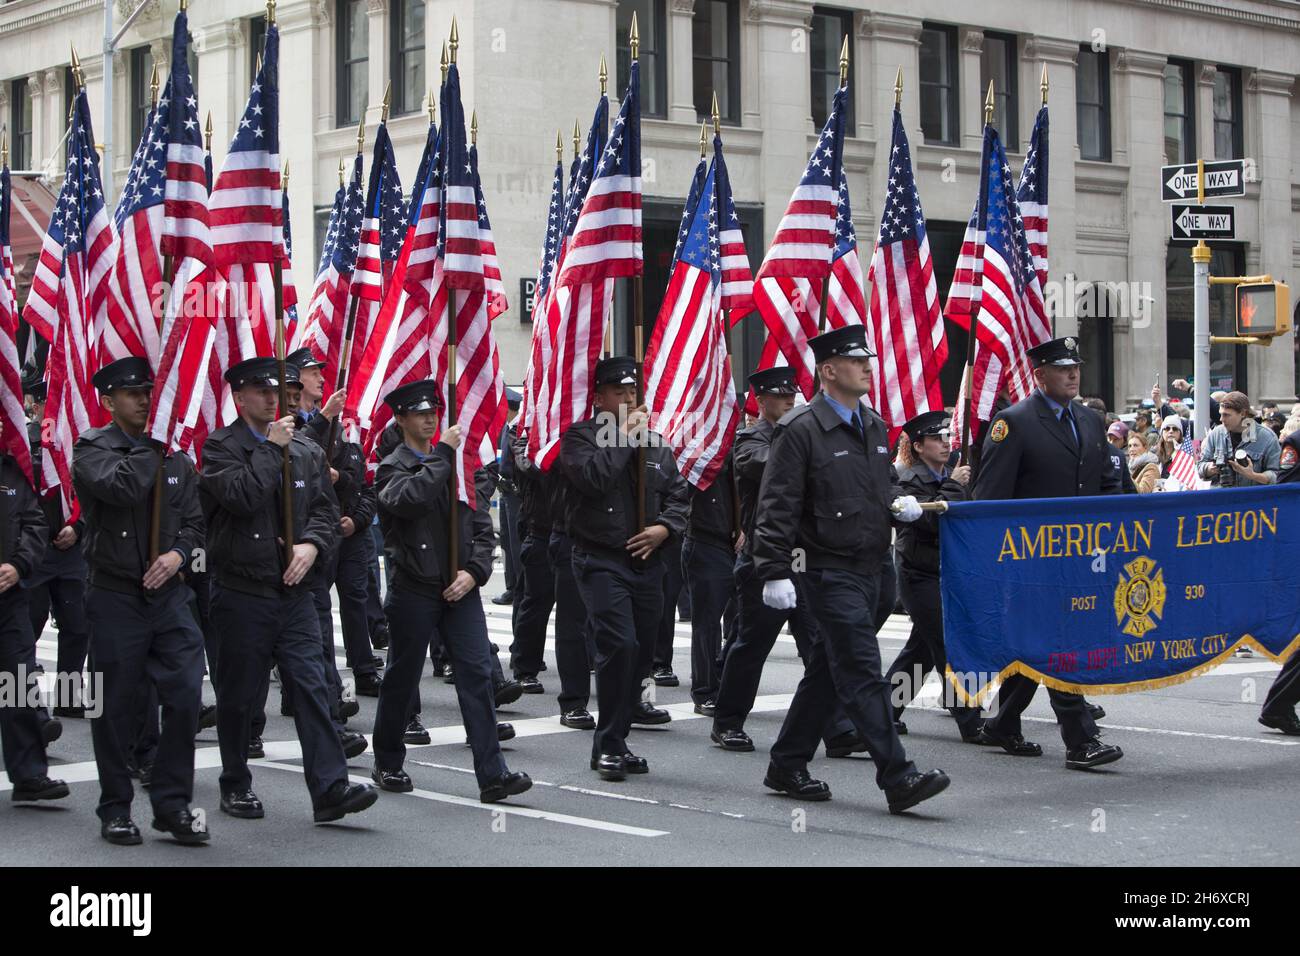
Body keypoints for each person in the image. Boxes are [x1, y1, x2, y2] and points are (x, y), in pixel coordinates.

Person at [752, 325, 950, 814]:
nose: (867, 366)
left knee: (827, 669)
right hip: (825, 568)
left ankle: (786, 762)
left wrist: (898, 502)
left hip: (872, 568)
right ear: (828, 370)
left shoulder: (874, 425)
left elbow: (877, 484)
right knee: (862, 670)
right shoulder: (800, 429)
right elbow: (776, 505)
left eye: (868, 359)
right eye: (856, 360)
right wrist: (773, 569)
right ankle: (898, 776)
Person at [200, 356, 378, 823]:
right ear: (239, 398)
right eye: (260, 391)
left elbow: (322, 509)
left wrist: (312, 546)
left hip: (296, 593)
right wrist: (268, 448)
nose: (272, 397)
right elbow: (240, 497)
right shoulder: (221, 447)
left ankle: (330, 787)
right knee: (239, 696)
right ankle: (235, 782)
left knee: (312, 687)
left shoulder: (304, 450)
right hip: (243, 591)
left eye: (276, 389)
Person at [369, 380, 532, 802]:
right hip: (414, 588)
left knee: (477, 675)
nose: (429, 418)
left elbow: (481, 527)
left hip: (459, 589)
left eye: (433, 412)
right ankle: (387, 758)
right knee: (403, 678)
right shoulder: (393, 465)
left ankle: (493, 774)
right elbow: (409, 500)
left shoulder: (461, 466)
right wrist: (443, 454)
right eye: (419, 413)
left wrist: (474, 572)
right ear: (401, 419)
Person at [73, 357, 209, 845]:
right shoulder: (93, 448)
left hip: (169, 596)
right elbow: (122, 485)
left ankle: (171, 803)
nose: (147, 400)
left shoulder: (175, 456)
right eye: (134, 394)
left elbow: (195, 522)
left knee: (187, 693)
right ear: (109, 402)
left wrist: (177, 555)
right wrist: (153, 446)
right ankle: (115, 807)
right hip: (115, 594)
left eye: (150, 392)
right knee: (113, 706)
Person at [972, 336, 1123, 770]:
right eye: (1063, 369)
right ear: (1039, 375)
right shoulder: (1014, 422)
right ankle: (1082, 741)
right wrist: (994, 560)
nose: (1073, 374)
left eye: (1076, 367)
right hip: (1031, 560)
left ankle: (1002, 721)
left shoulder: (1090, 422)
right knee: (1062, 643)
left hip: (1081, 557)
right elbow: (991, 497)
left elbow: (1105, 485)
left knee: (1039, 644)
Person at [711, 366, 860, 757]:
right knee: (752, 645)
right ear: (761, 402)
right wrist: (804, 440)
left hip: (807, 558)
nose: (791, 400)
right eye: (781, 396)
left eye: (794, 395)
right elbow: (762, 465)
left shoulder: (806, 436)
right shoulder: (750, 439)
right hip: (766, 559)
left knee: (819, 647)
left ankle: (837, 727)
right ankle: (728, 722)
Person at [559, 356, 689, 781]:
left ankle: (618, 737)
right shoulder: (581, 438)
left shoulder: (655, 441)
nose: (630, 399)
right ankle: (609, 744)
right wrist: (623, 439)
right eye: (620, 392)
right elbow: (593, 480)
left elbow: (679, 495)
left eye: (633, 392)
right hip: (600, 558)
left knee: (641, 654)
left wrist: (664, 529)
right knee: (620, 646)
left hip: (646, 561)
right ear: (598, 398)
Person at [285, 347, 383, 700]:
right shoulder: (293, 424)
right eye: (312, 372)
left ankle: (365, 669)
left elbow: (360, 482)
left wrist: (355, 520)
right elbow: (295, 457)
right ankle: (310, 683)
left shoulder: (341, 426)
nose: (321, 377)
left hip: (348, 530)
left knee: (355, 600)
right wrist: (323, 418)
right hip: (312, 534)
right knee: (314, 610)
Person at [885, 410, 985, 742]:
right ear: (918, 445)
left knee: (922, 651)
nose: (945, 444)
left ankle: (885, 709)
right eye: (936, 439)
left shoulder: (951, 476)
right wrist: (955, 486)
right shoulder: (911, 479)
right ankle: (971, 721)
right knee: (947, 645)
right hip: (919, 574)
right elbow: (929, 521)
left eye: (947, 437)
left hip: (948, 572)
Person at [0, 408, 69, 810]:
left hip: (9, 600)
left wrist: (18, 564)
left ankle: (29, 775)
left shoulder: (13, 472)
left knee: (19, 686)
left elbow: (33, 523)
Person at [21, 369, 90, 723]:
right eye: (49, 398)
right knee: (25, 631)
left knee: (78, 627)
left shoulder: (80, 439)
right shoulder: (27, 441)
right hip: (34, 551)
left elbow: (90, 491)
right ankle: (22, 706)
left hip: (70, 549)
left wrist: (78, 525)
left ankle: (66, 696)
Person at [681, 450, 741, 716]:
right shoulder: (703, 447)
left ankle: (721, 673)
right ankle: (705, 689)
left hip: (743, 545)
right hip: (708, 539)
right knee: (707, 622)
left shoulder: (743, 445)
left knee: (749, 621)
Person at [1197, 391, 1280, 487]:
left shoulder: (1267, 437)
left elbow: (1277, 476)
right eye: (1221, 414)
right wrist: (1209, 468)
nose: (1221, 419)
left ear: (1243, 413)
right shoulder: (1216, 434)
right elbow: (1200, 466)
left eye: (1226, 415)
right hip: (1221, 498)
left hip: (1251, 499)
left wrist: (1253, 475)